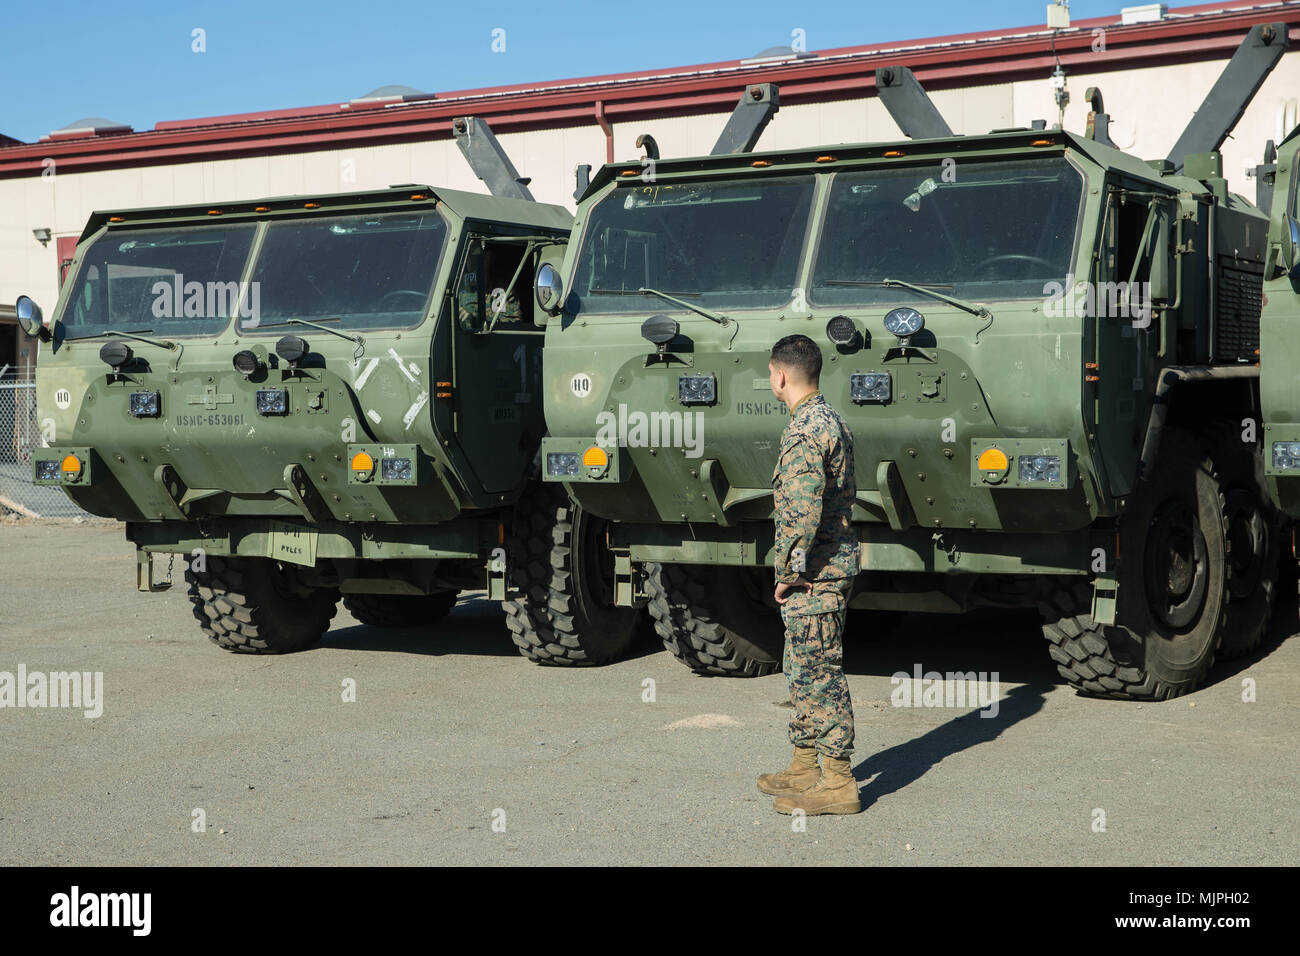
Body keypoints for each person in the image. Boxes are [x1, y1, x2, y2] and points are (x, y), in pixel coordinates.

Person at [758, 333, 861, 815]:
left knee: (820, 674)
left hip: (814, 574)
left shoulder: (805, 431)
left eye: (770, 374)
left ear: (780, 375)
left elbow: (801, 512)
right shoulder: (828, 418)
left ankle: (838, 782)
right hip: (820, 570)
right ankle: (805, 766)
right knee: (800, 667)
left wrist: (788, 572)